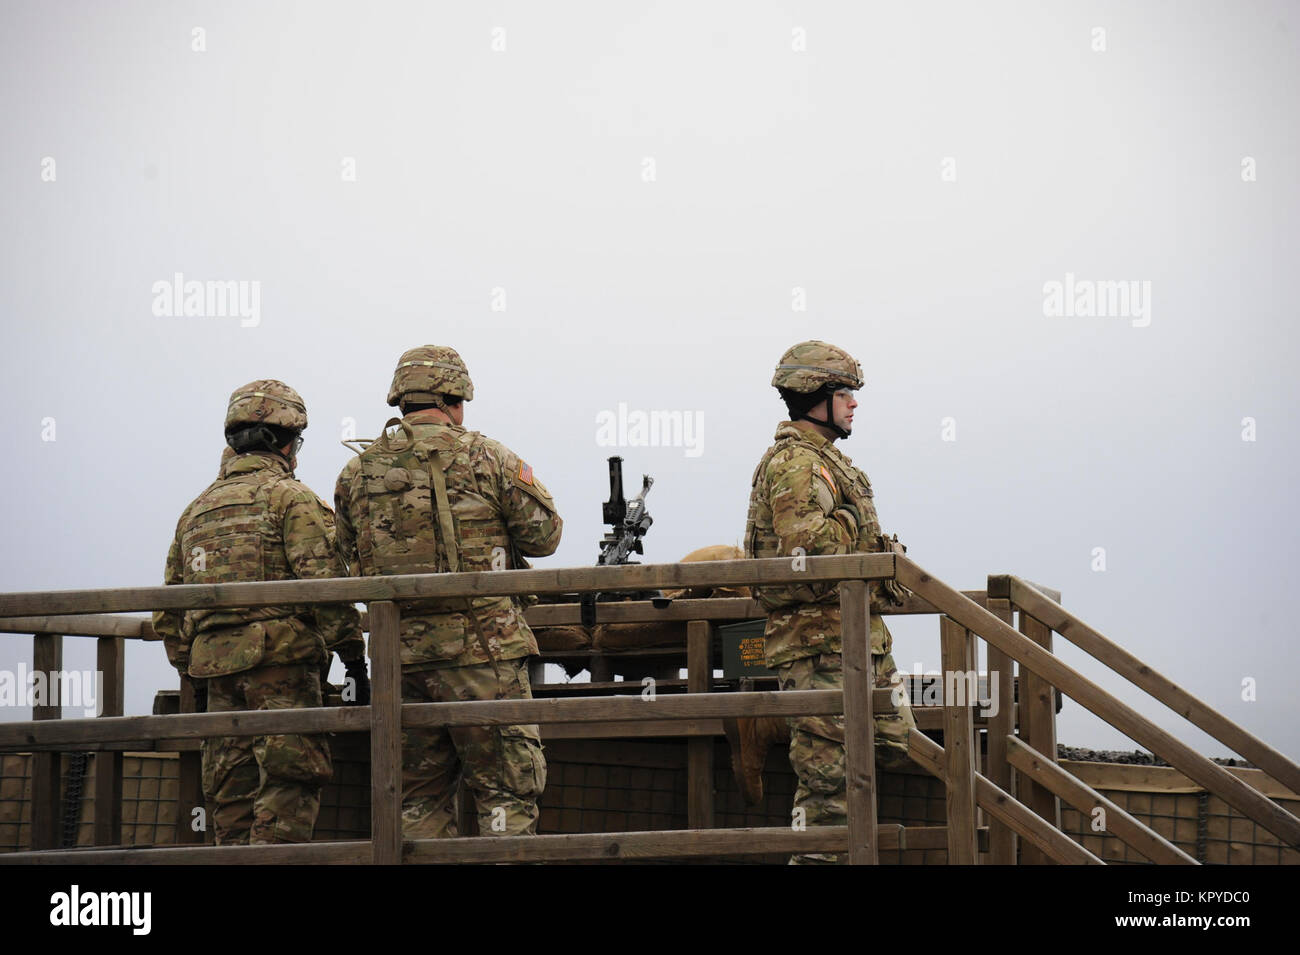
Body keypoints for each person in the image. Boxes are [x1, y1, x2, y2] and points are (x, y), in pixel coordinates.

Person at [334, 345, 562, 838]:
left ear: (401, 401)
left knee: (416, 801)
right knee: (505, 792)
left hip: (401, 664)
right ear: (456, 397)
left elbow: (346, 557)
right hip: (485, 655)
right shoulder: (488, 456)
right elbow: (544, 538)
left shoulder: (357, 473)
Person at [154, 379, 367, 845]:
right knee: (289, 786)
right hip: (282, 668)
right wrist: (353, 658)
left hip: (215, 673)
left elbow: (169, 610)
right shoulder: (291, 499)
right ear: (288, 442)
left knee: (230, 798)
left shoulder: (196, 511)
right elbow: (327, 587)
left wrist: (190, 666)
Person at [742, 340, 917, 864]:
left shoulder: (828, 462)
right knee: (828, 787)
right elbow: (808, 550)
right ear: (816, 397)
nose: (854, 404)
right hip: (818, 648)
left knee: (888, 744)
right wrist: (868, 538)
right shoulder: (798, 463)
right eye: (845, 393)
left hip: (854, 641)